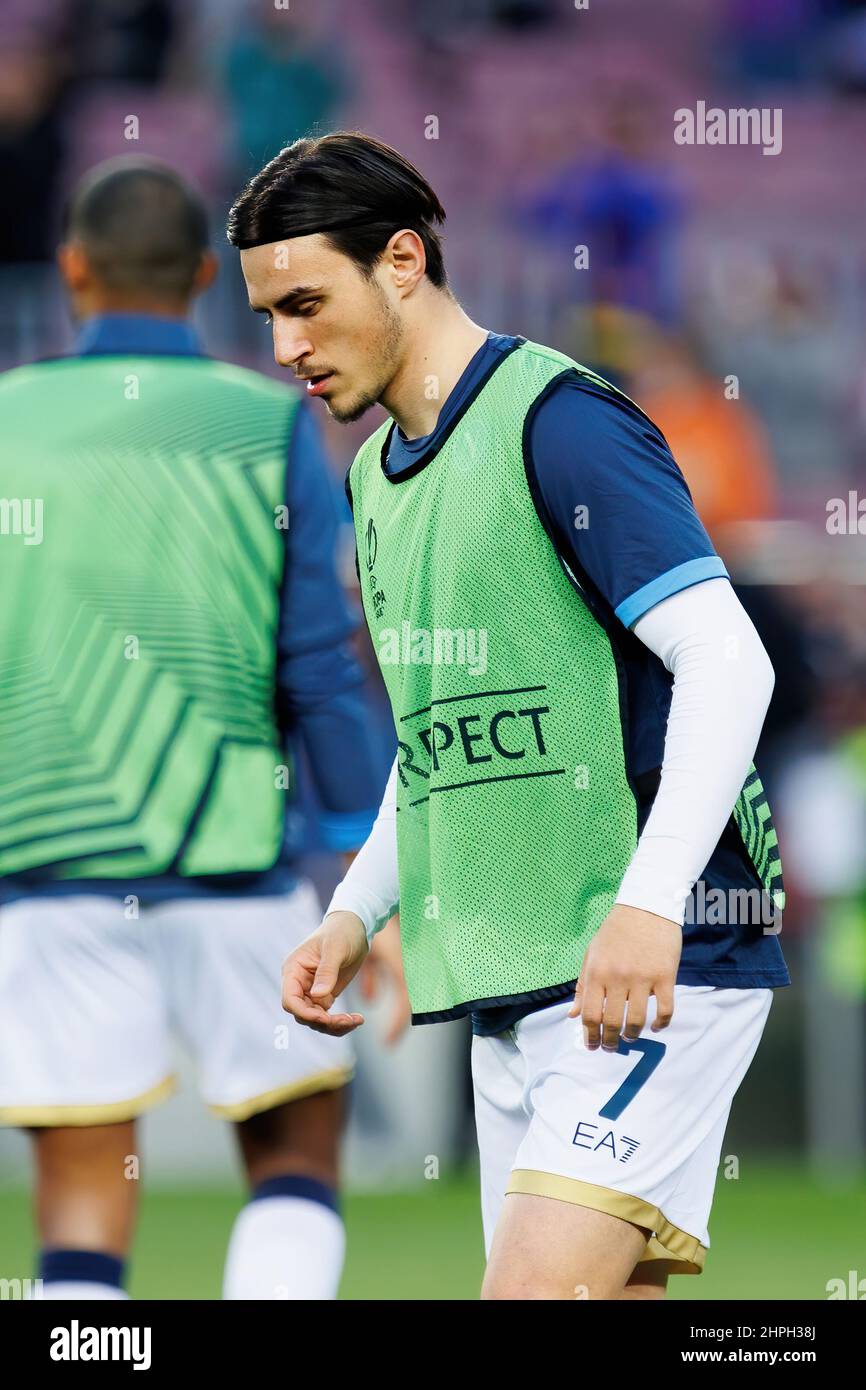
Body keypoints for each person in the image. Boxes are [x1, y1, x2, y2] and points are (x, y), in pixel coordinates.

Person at [228, 132, 790, 1301]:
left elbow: (728, 663)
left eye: (303, 305)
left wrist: (646, 908)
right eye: (266, 316)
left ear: (398, 260)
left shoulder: (560, 422)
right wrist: (352, 910)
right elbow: (436, 735)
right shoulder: (374, 480)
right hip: (518, 979)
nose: (283, 347)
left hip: (644, 961)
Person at [0, 156, 386, 1301]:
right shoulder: (267, 422)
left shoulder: (5, 424)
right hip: (236, 862)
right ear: (208, 277)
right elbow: (319, 662)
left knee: (79, 1188)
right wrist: (371, 854)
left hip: (48, 863)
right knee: (296, 1153)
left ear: (72, 269)